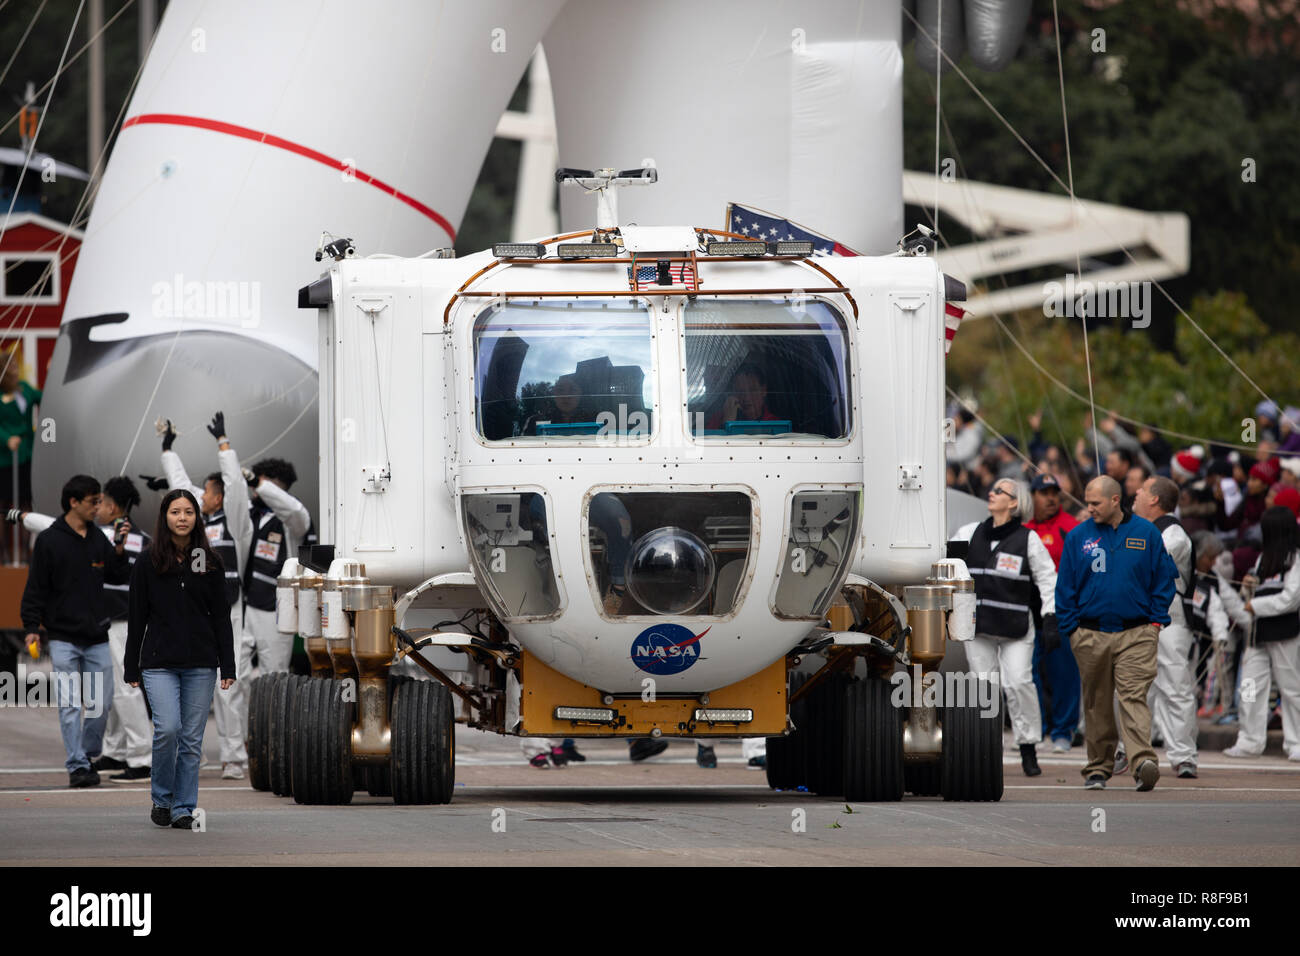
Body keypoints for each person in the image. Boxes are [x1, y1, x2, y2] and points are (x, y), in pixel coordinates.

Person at [1055, 476, 1178, 791]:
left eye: (1095, 502)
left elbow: (1164, 580)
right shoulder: (1078, 537)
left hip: (1136, 632)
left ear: (1114, 500)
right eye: (1087, 501)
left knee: (1133, 696)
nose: (1089, 508)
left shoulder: (1147, 533)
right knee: (1096, 701)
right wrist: (1071, 628)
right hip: (1089, 633)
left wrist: (1155, 622)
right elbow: (1065, 586)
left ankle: (1142, 763)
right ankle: (1098, 767)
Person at [125, 488, 235, 829]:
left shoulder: (210, 561)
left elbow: (220, 616)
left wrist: (227, 665)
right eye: (176, 512)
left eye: (189, 512)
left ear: (197, 518)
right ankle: (161, 798)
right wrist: (132, 664)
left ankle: (183, 808)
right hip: (159, 661)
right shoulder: (148, 561)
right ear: (165, 517)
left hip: (201, 662)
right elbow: (137, 615)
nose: (182, 518)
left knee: (192, 739)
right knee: (168, 728)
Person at [19, 476, 131, 787]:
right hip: (63, 638)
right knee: (69, 705)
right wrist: (31, 627)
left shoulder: (98, 539)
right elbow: (35, 589)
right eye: (93, 501)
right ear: (73, 502)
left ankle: (87, 751)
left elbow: (119, 573)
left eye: (99, 501)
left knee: (101, 704)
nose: (99, 507)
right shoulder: (49, 541)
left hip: (96, 636)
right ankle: (78, 765)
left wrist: (119, 547)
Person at [160, 412, 252, 779]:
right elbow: (179, 484)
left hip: (228, 610)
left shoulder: (235, 522)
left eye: (209, 492)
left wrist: (223, 443)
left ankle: (233, 757)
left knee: (229, 683)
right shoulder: (195, 526)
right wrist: (168, 450)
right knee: (190, 679)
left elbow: (235, 485)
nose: (203, 496)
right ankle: (192, 754)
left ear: (220, 498)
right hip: (194, 611)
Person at [950, 477, 1058, 776]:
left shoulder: (1029, 539)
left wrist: (1051, 617)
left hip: (1015, 627)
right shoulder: (969, 532)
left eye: (999, 491)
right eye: (993, 488)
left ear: (1013, 502)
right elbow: (948, 567)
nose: (991, 493)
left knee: (1019, 683)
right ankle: (985, 748)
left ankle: (1028, 748)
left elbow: (1048, 579)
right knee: (984, 686)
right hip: (978, 625)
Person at [1134, 476, 1199, 777]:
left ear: (1155, 500)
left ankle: (1183, 755)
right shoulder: (1138, 529)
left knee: (1175, 685)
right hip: (1137, 615)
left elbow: (1146, 565)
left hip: (1169, 616)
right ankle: (1130, 749)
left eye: (1142, 490)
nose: (1135, 493)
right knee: (1133, 686)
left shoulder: (1175, 536)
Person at [1222, 507, 1300, 761]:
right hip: (1259, 633)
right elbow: (1259, 589)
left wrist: (1255, 605)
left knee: (1291, 687)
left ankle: (1296, 742)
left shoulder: (1296, 559)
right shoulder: (1262, 558)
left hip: (1286, 631)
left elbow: (1291, 599)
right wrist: (1249, 587)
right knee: (1249, 687)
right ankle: (1249, 740)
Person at [1025, 472, 1082, 752]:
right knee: (1027, 672)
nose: (1050, 498)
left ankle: (1063, 730)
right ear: (1032, 496)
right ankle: (1037, 729)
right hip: (1028, 612)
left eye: (1054, 493)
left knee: (1063, 672)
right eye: (1043, 493)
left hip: (1062, 612)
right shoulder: (1024, 529)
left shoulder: (1071, 527)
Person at [243, 458, 313, 674]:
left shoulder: (292, 519)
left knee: (274, 673)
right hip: (242, 603)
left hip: (275, 607)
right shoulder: (249, 512)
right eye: (255, 482)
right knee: (232, 675)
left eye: (264, 483)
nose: (255, 487)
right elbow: (212, 498)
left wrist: (262, 485)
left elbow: (295, 513)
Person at [0, 355, 41, 561]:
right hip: (5, 458)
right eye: (11, 365)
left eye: (16, 364)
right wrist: (6, 438)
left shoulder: (24, 388)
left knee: (25, 502)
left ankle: (25, 552)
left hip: (25, 454)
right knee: (4, 504)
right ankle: (4, 555)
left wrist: (47, 436)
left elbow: (45, 399)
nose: (15, 369)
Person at [706, 363, 780, 428]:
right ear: (733, 394)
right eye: (740, 391)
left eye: (753, 390)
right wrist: (726, 423)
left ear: (763, 390)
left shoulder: (776, 424)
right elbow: (701, 441)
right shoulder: (718, 419)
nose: (746, 398)